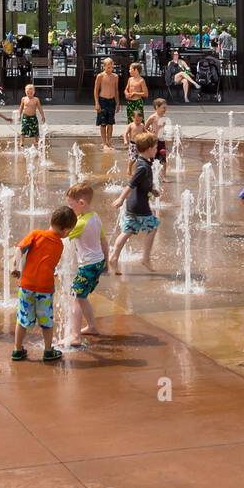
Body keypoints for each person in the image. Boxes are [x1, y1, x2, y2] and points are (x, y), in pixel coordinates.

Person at [11, 205, 77, 362]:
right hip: (45, 289)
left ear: (51, 220)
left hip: (26, 286)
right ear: (66, 231)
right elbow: (49, 264)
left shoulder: (35, 234)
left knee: (22, 319)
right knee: (46, 321)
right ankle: (48, 351)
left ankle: (17, 350)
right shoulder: (59, 245)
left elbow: (19, 249)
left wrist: (15, 266)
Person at [108, 132, 159, 273]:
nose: (156, 150)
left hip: (133, 204)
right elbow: (130, 184)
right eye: (155, 148)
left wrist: (152, 190)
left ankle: (113, 257)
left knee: (127, 231)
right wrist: (120, 199)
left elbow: (141, 184)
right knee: (153, 226)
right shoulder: (143, 167)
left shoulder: (142, 163)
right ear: (149, 149)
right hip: (140, 206)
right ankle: (146, 258)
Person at [65, 182, 109, 340]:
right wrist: (107, 263)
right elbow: (104, 241)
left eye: (71, 206)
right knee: (82, 297)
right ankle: (91, 326)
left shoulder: (80, 223)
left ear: (81, 203)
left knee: (75, 297)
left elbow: (62, 236)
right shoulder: (95, 217)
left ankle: (75, 336)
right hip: (98, 262)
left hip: (88, 266)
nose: (69, 209)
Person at [94, 56, 120, 149]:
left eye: (111, 66)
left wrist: (118, 103)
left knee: (110, 123)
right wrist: (97, 103)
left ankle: (109, 141)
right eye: (107, 66)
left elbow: (116, 90)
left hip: (111, 100)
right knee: (103, 123)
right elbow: (96, 90)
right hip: (102, 100)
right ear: (104, 66)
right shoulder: (100, 76)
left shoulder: (115, 77)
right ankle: (104, 142)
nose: (109, 68)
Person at [17, 82, 45, 151]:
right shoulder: (24, 99)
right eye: (28, 93)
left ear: (34, 92)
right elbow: (21, 107)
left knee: (35, 130)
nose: (29, 94)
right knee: (23, 129)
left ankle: (36, 142)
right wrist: (19, 115)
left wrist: (43, 116)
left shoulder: (36, 99)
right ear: (25, 92)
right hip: (25, 117)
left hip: (33, 117)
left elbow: (40, 108)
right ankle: (22, 142)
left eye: (31, 93)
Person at [144, 97, 169, 163]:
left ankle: (163, 173)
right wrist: (149, 133)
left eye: (166, 108)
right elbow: (144, 128)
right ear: (157, 107)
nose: (165, 110)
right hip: (153, 141)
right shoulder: (153, 117)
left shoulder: (164, 117)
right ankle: (152, 172)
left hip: (161, 140)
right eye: (163, 108)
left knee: (163, 159)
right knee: (153, 159)